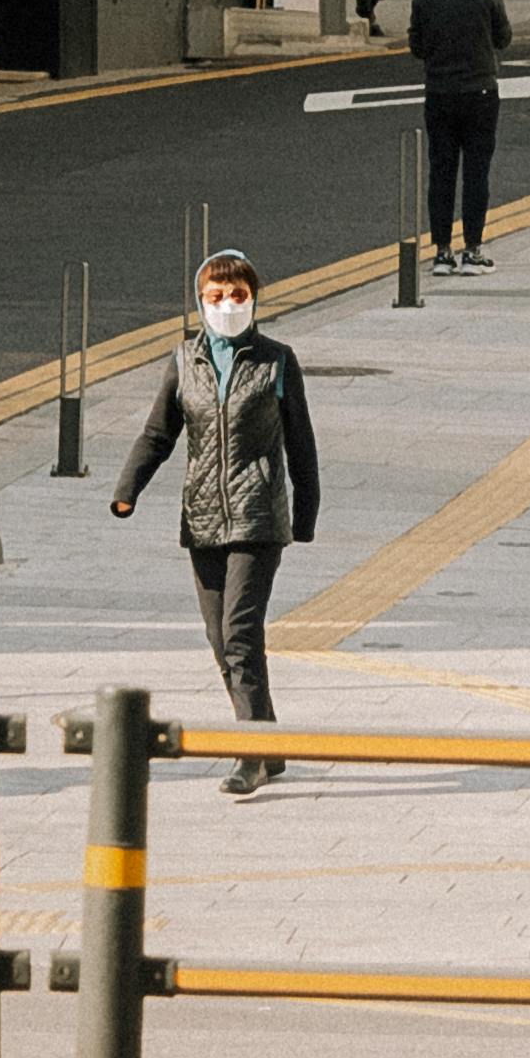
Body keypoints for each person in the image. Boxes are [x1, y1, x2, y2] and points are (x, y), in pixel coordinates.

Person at [109, 247, 323, 797]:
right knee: (218, 638)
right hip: (202, 517)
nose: (227, 305)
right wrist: (127, 490)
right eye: (216, 297)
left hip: (257, 517)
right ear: (200, 303)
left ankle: (249, 753)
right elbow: (159, 434)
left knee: (239, 636)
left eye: (237, 296)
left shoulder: (276, 361)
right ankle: (270, 743)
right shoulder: (185, 361)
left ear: (253, 299)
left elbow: (301, 443)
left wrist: (305, 513)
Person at [404, 0, 513, 266]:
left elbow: (417, 46)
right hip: (480, 90)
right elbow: (503, 38)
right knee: (476, 171)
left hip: (439, 92)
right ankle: (473, 249)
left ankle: (440, 251)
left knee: (442, 171)